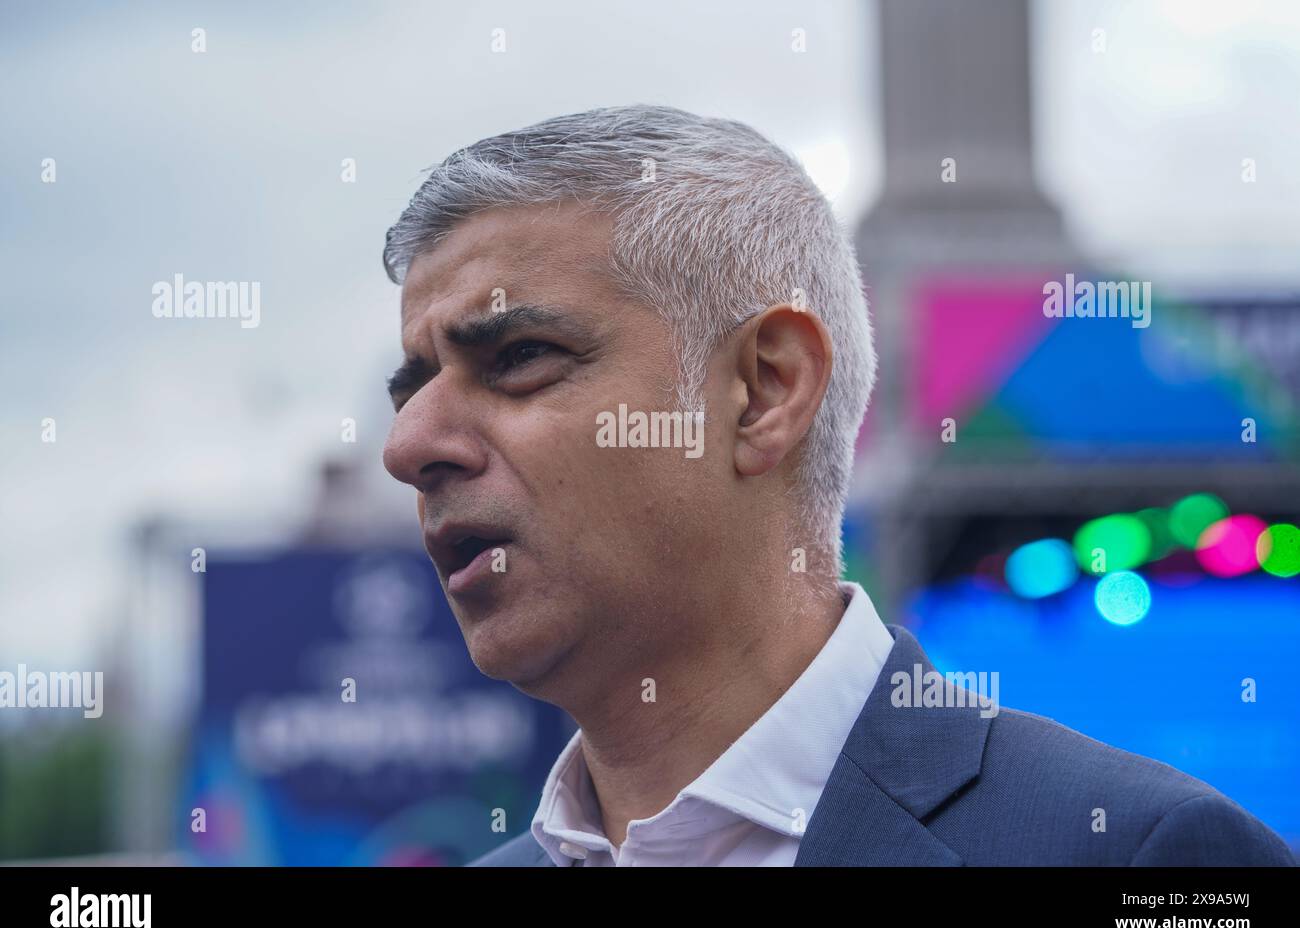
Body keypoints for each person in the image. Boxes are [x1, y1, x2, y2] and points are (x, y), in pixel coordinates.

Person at [380, 105, 1294, 867]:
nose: (410, 442)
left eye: (519, 357)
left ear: (765, 391)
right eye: (411, 387)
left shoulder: (1153, 858)